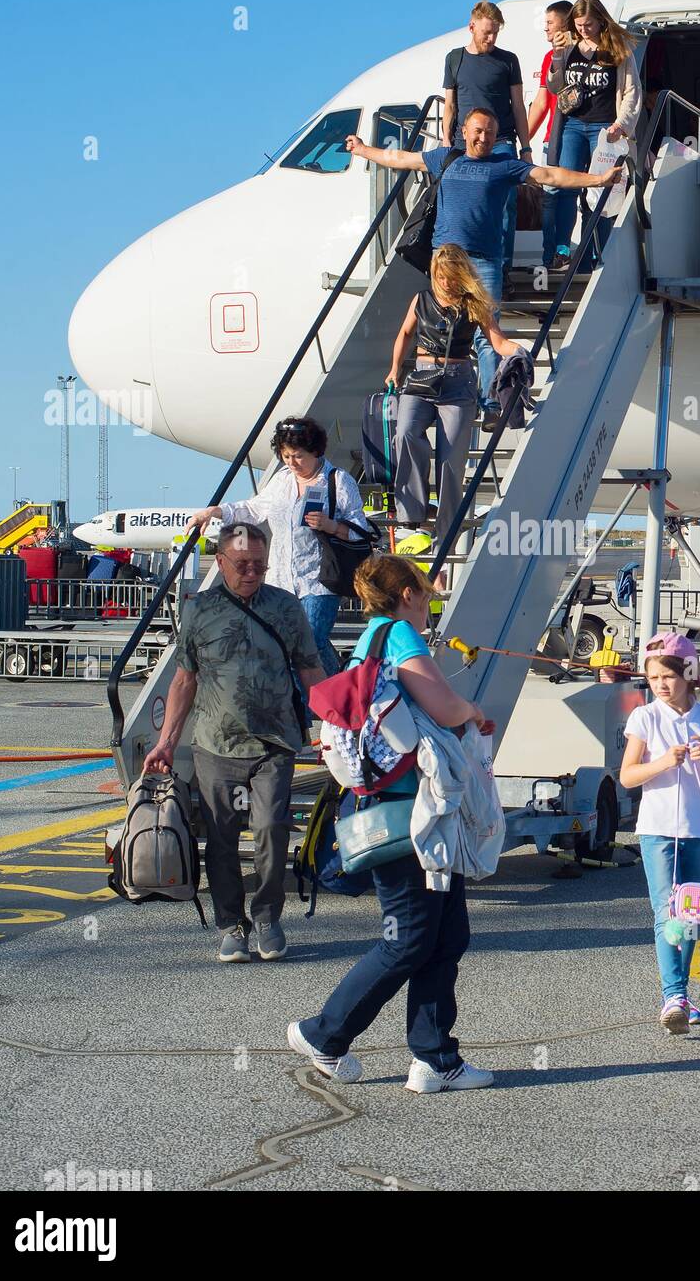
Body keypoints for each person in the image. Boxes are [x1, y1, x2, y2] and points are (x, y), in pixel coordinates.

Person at [288, 554, 495, 1093]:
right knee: (409, 938)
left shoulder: (372, 639)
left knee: (446, 935)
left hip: (405, 808)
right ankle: (325, 1033)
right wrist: (471, 711)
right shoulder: (400, 635)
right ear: (407, 594)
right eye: (426, 595)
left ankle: (435, 1057)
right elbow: (444, 706)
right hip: (409, 815)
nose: (429, 606)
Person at [346, 110, 622, 427]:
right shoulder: (445, 158)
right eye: (478, 131)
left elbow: (549, 176)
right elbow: (401, 158)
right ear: (464, 131)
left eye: (490, 132)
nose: (484, 137)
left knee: (487, 333)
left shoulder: (504, 166)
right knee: (439, 327)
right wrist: (363, 149)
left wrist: (597, 179)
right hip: (447, 262)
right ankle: (437, 395)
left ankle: (490, 403)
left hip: (485, 261)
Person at [143, 524, 327, 964]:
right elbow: (185, 679)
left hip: (275, 740)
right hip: (215, 742)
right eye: (242, 565)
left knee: (269, 828)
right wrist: (167, 742)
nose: (251, 573)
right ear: (220, 561)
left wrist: (337, 728)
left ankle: (267, 916)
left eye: (259, 566)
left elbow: (310, 670)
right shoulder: (200, 610)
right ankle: (231, 923)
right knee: (222, 837)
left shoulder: (285, 607)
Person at [187, 416, 369, 677]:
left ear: (315, 451)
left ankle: (315, 707)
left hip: (319, 579)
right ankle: (342, 689)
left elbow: (359, 528)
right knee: (296, 645)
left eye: (298, 456)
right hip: (280, 579)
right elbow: (253, 510)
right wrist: (214, 512)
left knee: (310, 643)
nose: (292, 463)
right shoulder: (282, 480)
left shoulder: (337, 481)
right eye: (286, 456)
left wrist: (332, 526)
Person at [619, 633, 700, 1035]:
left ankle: (680, 995)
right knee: (667, 911)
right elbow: (628, 775)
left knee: (691, 913)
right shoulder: (645, 717)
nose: (661, 685)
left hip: (698, 829)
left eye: (668, 675)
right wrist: (664, 763)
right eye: (653, 678)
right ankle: (673, 995)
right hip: (656, 829)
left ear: (689, 674)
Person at [386, 245, 523, 553]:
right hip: (422, 378)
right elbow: (405, 334)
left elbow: (497, 341)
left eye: (450, 276)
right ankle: (413, 510)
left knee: (451, 462)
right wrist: (395, 368)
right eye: (440, 276)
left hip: (457, 384)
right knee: (405, 433)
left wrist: (518, 351)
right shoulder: (421, 300)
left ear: (461, 274)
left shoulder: (473, 304)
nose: (445, 282)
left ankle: (445, 533)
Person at [547, 0, 641, 271]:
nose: (584, 30)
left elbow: (632, 91)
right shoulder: (570, 47)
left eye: (588, 24)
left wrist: (621, 124)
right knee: (567, 183)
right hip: (574, 124)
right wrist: (556, 56)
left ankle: (598, 252)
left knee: (600, 189)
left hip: (604, 129)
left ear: (601, 21)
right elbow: (554, 87)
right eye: (579, 25)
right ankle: (563, 249)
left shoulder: (617, 49)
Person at [442, 0, 531, 285]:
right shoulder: (455, 59)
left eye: (495, 33)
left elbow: (518, 106)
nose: (490, 39)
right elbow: (450, 106)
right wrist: (446, 142)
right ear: (471, 27)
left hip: (502, 139)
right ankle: (458, 265)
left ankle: (501, 267)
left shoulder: (508, 60)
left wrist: (526, 148)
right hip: (462, 142)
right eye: (486, 33)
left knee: (505, 202)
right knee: (457, 203)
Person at [525, 0, 573, 269]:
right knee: (551, 195)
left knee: (569, 195)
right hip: (551, 138)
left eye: (550, 23)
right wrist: (524, 139)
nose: (545, 29)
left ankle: (564, 250)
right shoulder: (548, 58)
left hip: (575, 134)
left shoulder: (581, 52)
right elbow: (542, 103)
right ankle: (549, 254)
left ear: (564, 25)